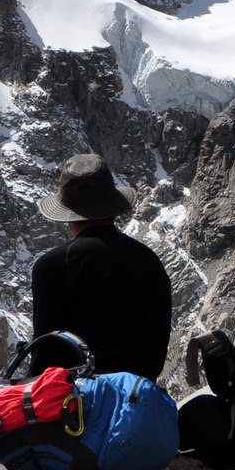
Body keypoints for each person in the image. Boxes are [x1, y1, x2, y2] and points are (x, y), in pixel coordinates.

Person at [31, 154, 173, 381]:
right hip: (141, 402)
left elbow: (44, 355)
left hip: (77, 405)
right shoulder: (149, 260)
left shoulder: (53, 266)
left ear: (68, 214)